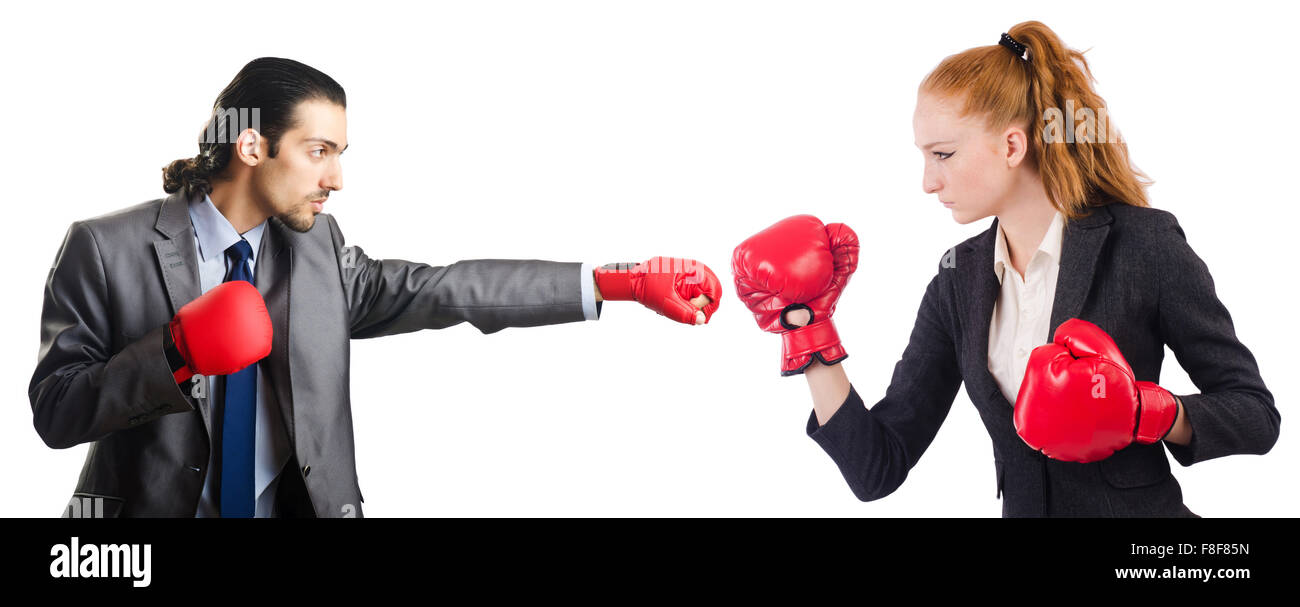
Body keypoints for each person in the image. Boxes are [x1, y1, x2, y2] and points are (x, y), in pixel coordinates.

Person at [30, 57, 721, 518]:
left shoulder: (318, 248)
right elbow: (56, 412)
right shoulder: (105, 246)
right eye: (318, 151)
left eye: (340, 154)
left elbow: (445, 289)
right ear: (251, 147)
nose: (336, 179)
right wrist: (173, 352)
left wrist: (612, 283)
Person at [731, 22, 1278, 516]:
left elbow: (1255, 414)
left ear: (1013, 144)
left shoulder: (1143, 243)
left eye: (942, 154)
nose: (927, 181)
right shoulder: (956, 281)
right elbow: (877, 468)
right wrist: (809, 333)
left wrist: (1149, 413)